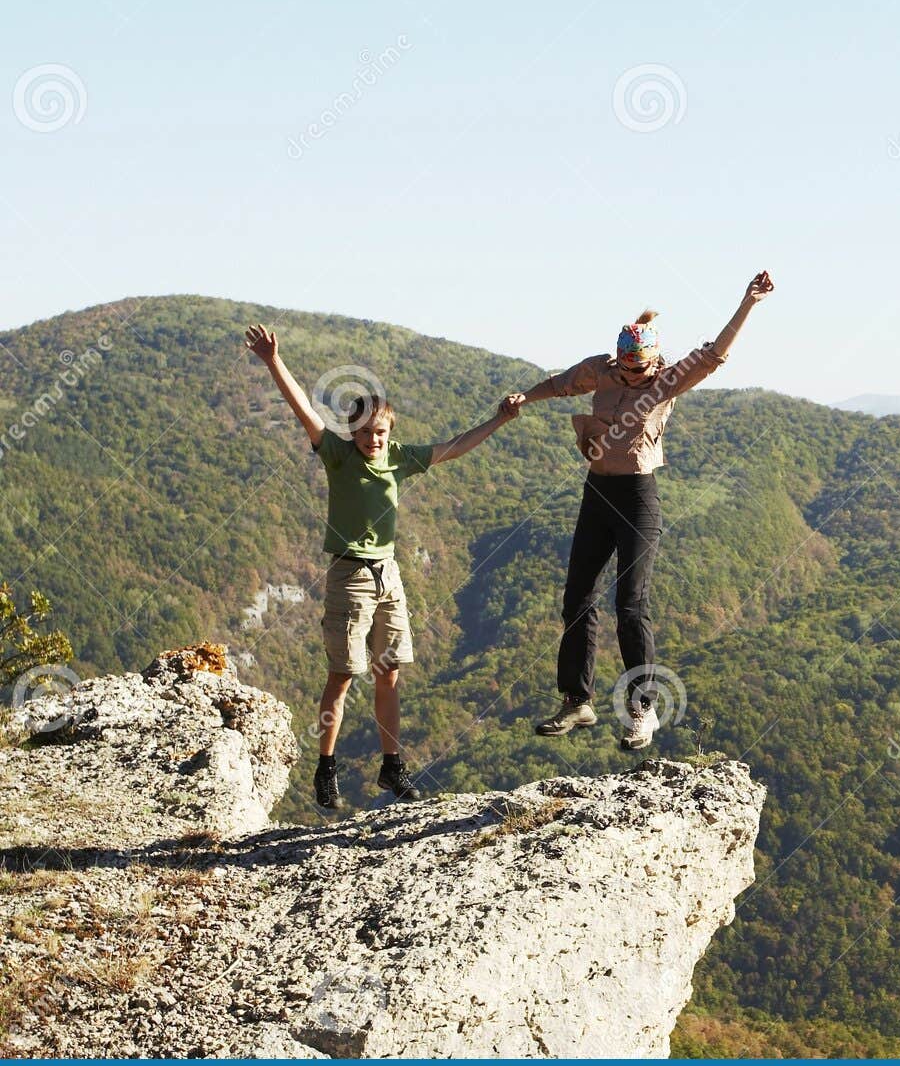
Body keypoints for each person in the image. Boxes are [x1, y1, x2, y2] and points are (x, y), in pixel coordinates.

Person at [245, 323, 526, 809]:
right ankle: (326, 769)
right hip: (350, 575)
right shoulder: (336, 454)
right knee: (343, 674)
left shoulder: (398, 457)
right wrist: (273, 361)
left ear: (390, 432)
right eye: (365, 432)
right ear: (352, 432)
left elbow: (455, 446)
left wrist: (499, 420)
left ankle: (392, 766)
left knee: (389, 672)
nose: (372, 440)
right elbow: (303, 408)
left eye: (380, 432)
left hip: (388, 574)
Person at [519, 270, 775, 750]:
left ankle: (643, 710)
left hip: (638, 498)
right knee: (577, 598)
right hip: (597, 492)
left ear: (654, 361)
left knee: (631, 605)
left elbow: (716, 354)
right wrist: (524, 398)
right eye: (625, 368)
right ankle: (577, 700)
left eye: (637, 370)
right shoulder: (602, 369)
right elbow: (562, 384)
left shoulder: (668, 380)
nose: (630, 376)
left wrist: (748, 303)